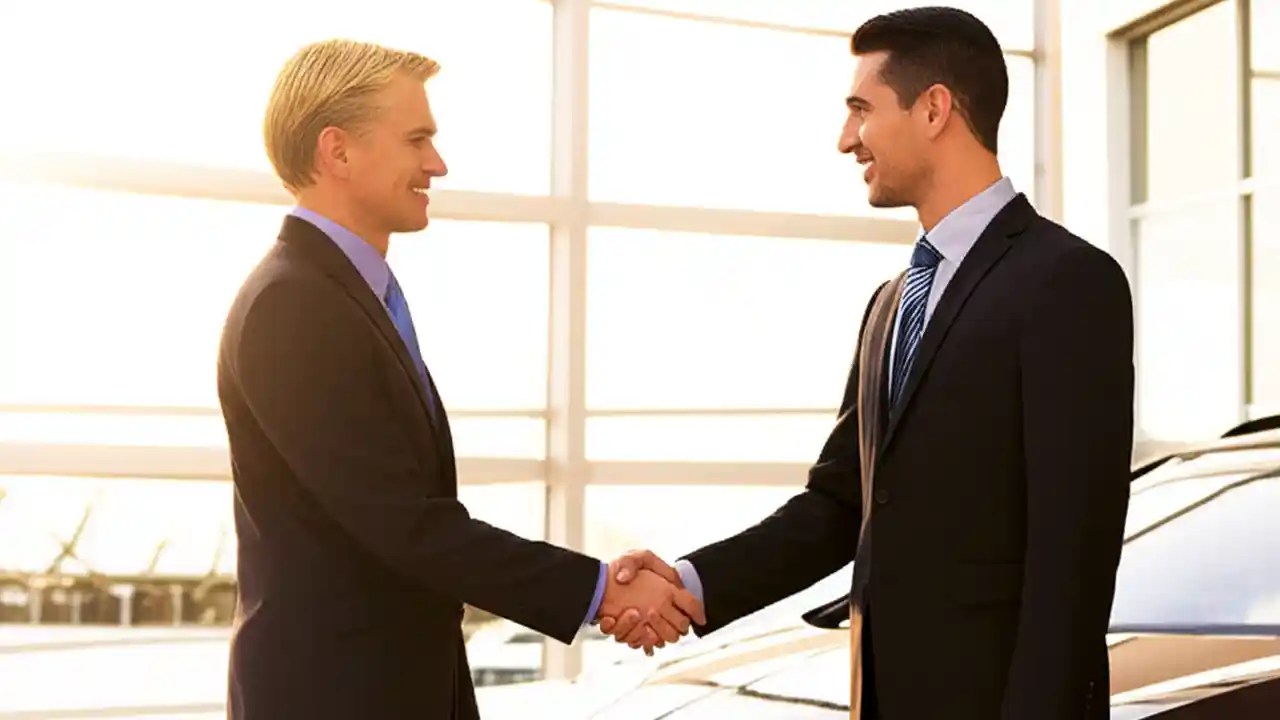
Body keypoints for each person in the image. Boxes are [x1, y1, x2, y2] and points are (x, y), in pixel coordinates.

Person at [601, 7, 1134, 719]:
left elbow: (1071, 559)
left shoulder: (1068, 281)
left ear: (935, 109)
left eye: (861, 109)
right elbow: (839, 506)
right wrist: (691, 583)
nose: (846, 138)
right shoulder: (890, 305)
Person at [216, 39, 703, 720]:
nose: (436, 163)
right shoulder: (293, 304)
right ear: (338, 151)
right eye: (417, 139)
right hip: (333, 697)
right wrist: (599, 589)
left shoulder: (343, 295)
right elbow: (405, 525)